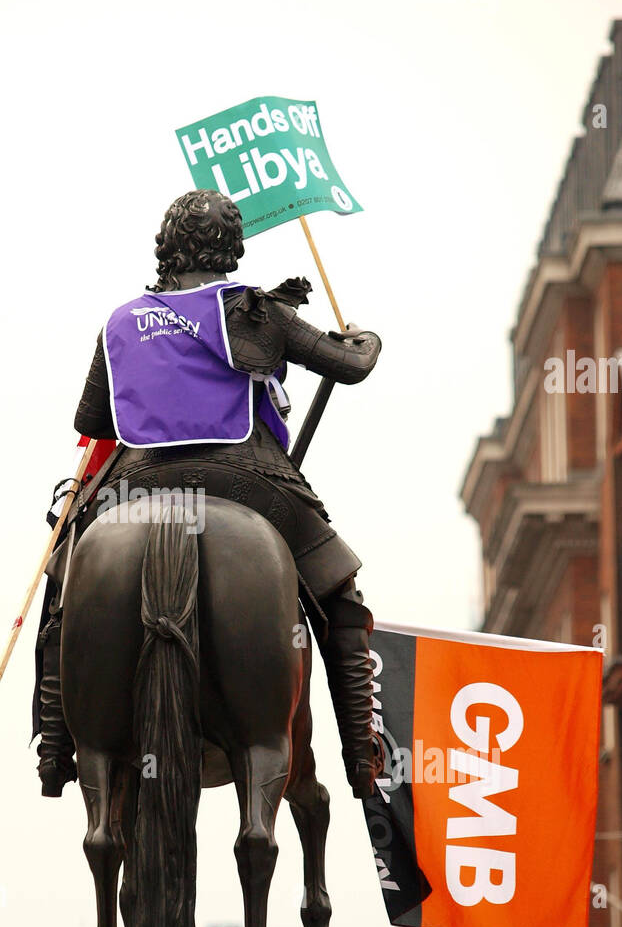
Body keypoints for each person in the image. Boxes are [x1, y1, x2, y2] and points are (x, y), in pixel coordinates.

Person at [34, 188, 383, 800]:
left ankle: (57, 744)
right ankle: (363, 751)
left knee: (65, 579)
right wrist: (365, 339)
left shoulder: (122, 320)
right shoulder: (257, 309)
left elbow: (93, 417)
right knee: (339, 592)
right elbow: (348, 367)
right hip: (248, 480)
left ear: (168, 244)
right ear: (233, 248)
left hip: (137, 483)